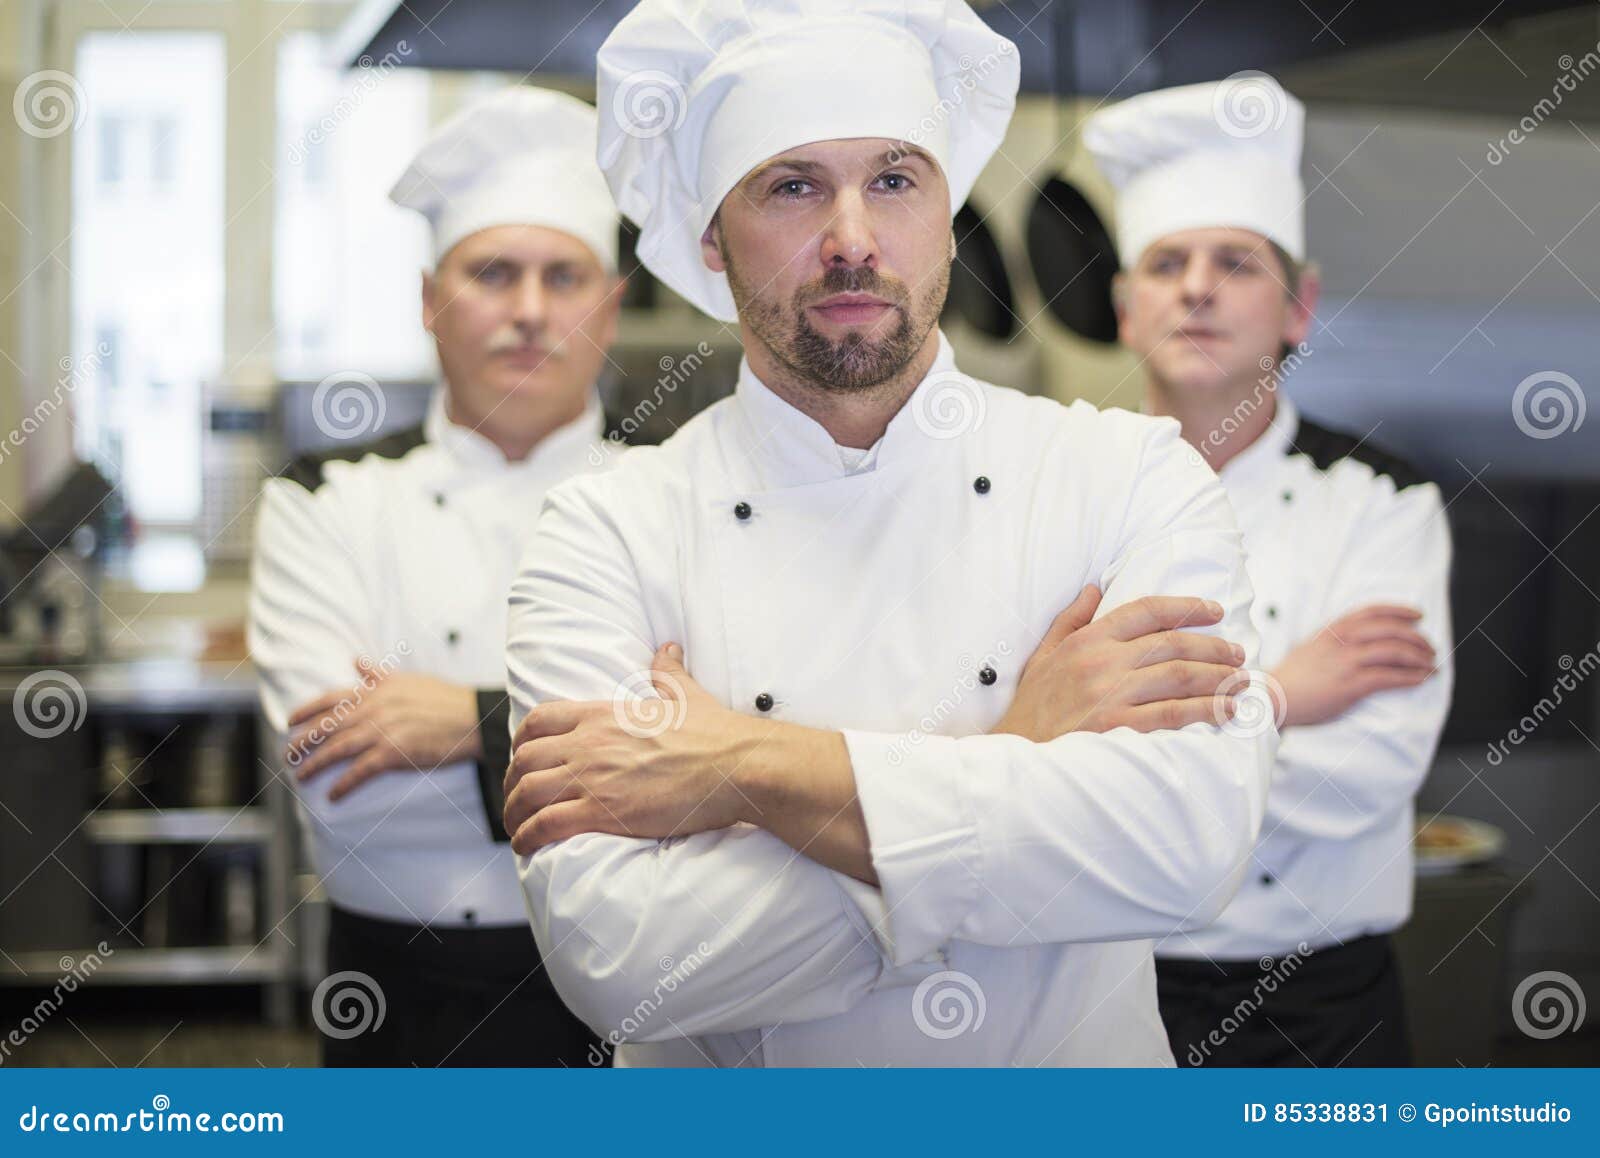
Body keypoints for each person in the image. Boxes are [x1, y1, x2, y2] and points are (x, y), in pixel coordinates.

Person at [499, 0, 1277, 1067]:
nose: (853, 241)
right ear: (712, 238)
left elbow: (1182, 848)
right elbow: (621, 966)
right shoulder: (607, 526)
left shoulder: (1127, 477)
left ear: (945, 211)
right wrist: (1017, 755)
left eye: (896, 180)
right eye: (792, 185)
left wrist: (744, 767)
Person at [248, 87, 622, 1066]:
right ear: (428, 299)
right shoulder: (324, 497)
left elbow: (713, 766)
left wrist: (469, 723)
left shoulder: (675, 492)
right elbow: (338, 785)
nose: (530, 311)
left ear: (611, 307)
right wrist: (613, 759)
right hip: (389, 994)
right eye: (493, 273)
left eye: (564, 276)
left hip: (626, 986)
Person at [1085, 74, 1453, 1067]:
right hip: (1102, 992)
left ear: (1298, 306)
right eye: (1166, 262)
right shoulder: (1065, 490)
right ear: (1125, 309)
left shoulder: (1381, 499)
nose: (1195, 286)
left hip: (1323, 1007)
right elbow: (1040, 766)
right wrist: (1286, 695)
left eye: (1234, 262)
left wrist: (1150, 735)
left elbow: (1371, 772)